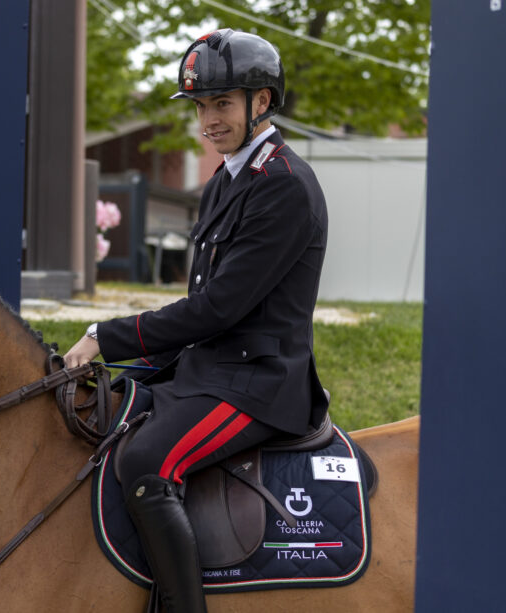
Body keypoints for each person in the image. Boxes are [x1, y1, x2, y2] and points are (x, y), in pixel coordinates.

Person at [64, 29, 329, 612]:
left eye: (222, 104)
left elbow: (217, 308)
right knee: (102, 417)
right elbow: (201, 307)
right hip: (206, 372)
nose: (208, 120)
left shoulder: (282, 187)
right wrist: (137, 371)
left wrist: (104, 338)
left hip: (258, 385)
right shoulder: (224, 181)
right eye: (202, 107)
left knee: (145, 462)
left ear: (261, 102)